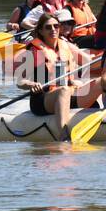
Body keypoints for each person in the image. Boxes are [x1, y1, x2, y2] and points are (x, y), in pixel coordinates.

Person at [13, 12, 95, 141]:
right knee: (64, 90)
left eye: (56, 26)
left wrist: (79, 82)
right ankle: (63, 134)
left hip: (66, 93)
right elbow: (20, 81)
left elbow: (87, 61)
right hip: (42, 100)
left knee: (98, 82)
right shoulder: (34, 51)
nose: (53, 30)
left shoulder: (65, 45)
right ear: (40, 30)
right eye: (48, 27)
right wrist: (31, 84)